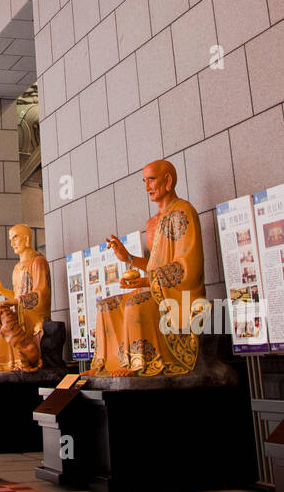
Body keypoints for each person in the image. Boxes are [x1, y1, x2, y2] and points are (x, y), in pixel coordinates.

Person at [86, 159, 205, 377]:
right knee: (106, 306)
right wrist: (129, 258)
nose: (147, 186)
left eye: (151, 179)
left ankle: (138, 363)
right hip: (157, 289)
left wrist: (148, 281)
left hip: (179, 296)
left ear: (167, 180)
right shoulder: (153, 223)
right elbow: (154, 266)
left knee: (135, 304)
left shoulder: (182, 213)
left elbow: (187, 267)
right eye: (144, 181)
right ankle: (106, 364)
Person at [0, 223, 49, 374]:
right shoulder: (17, 267)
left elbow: (41, 292)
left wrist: (17, 302)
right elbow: (17, 296)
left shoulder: (38, 261)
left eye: (15, 238)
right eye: (10, 239)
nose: (12, 243)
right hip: (20, 310)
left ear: (26, 239)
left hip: (32, 315)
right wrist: (1, 290)